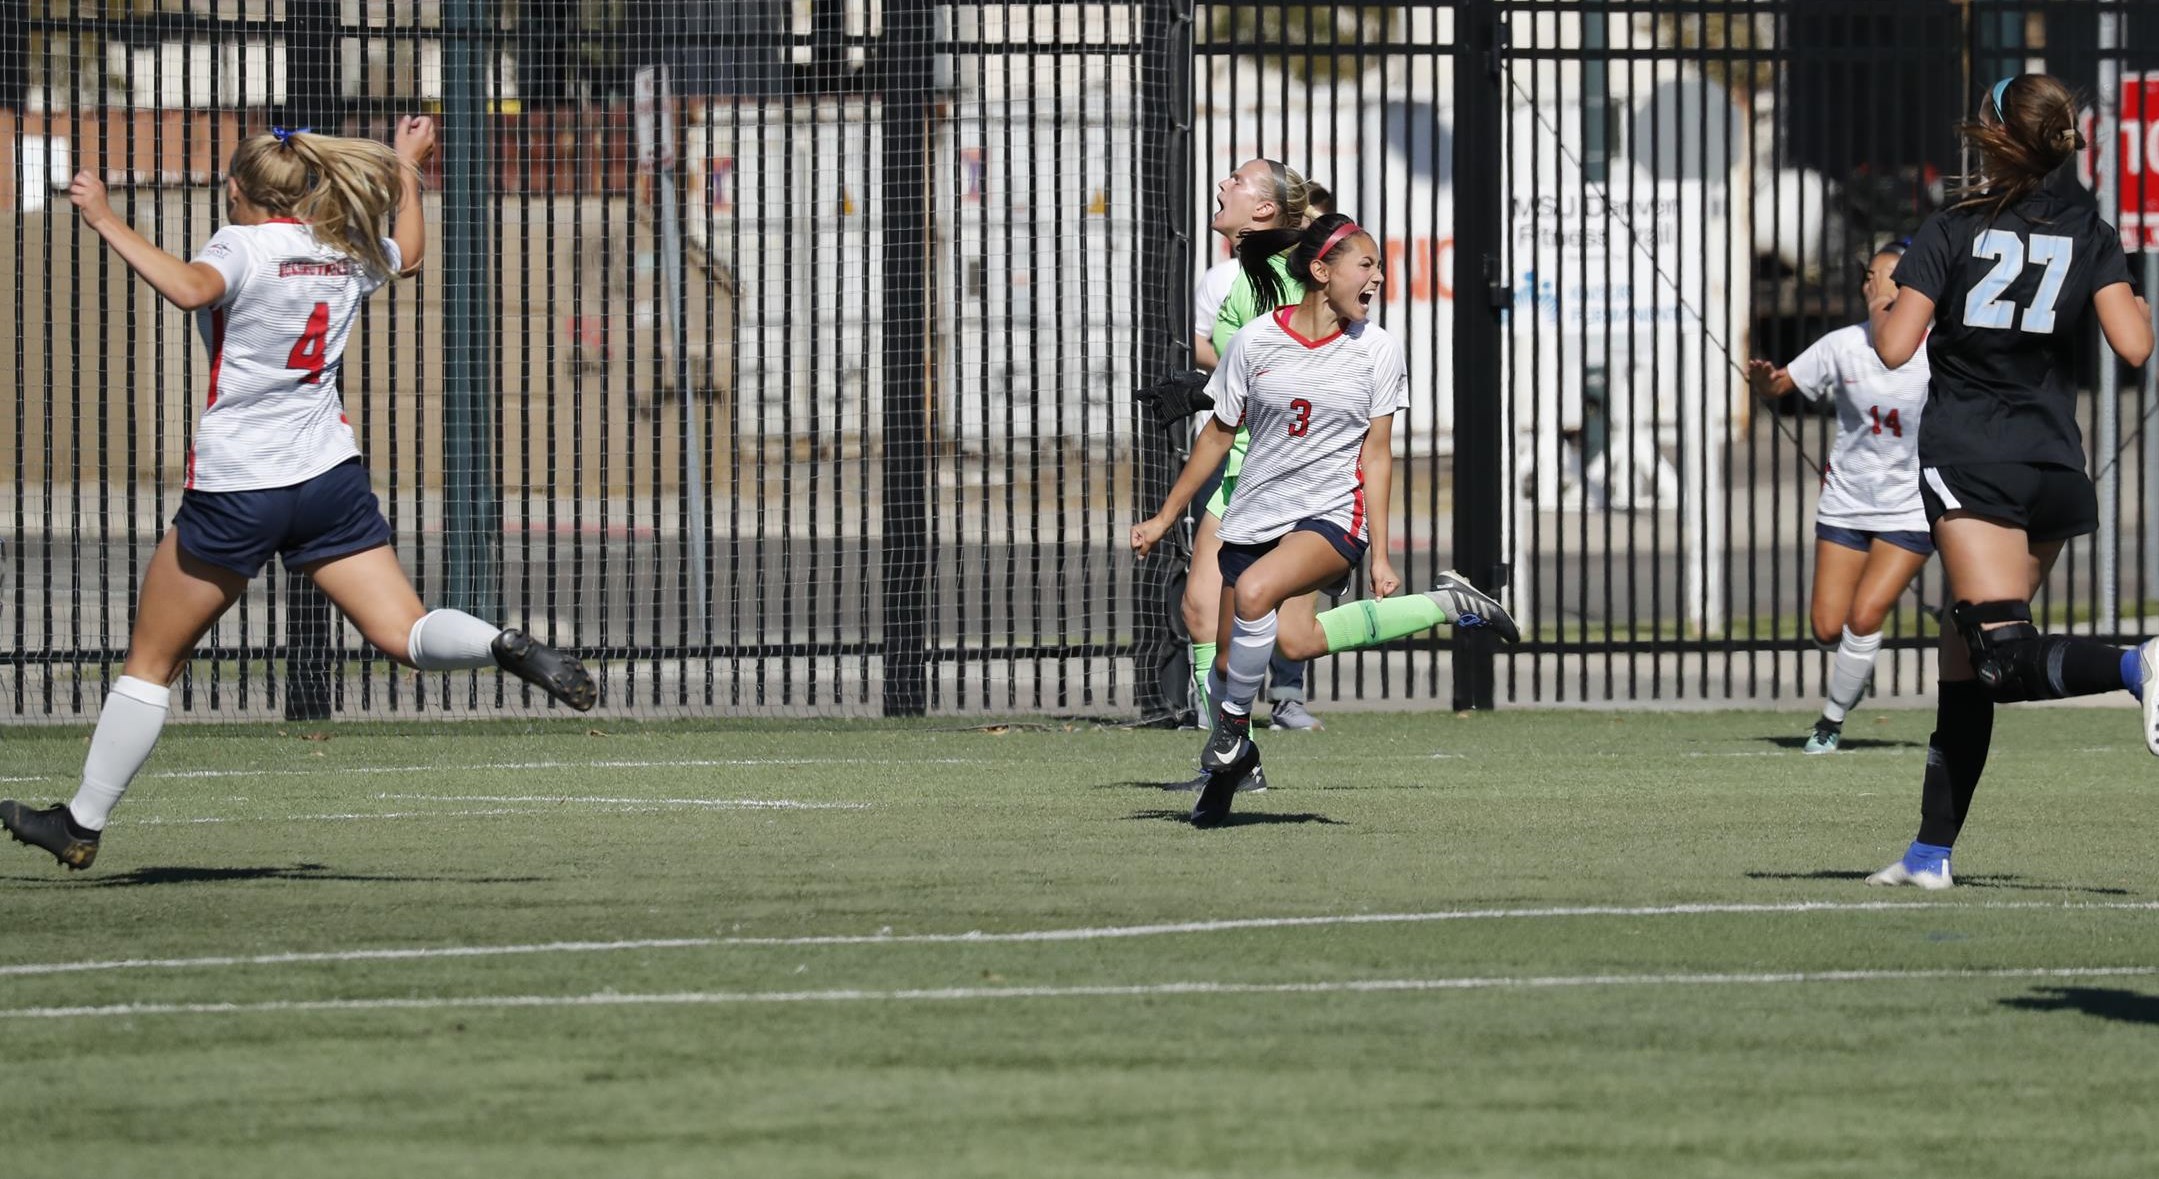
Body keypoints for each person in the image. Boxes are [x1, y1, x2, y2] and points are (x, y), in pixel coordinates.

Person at [0, 118, 598, 872]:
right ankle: (500, 643)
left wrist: (103, 217)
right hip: (327, 478)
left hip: (240, 487)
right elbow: (409, 255)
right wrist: (407, 170)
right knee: (405, 634)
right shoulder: (342, 245)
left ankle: (79, 822)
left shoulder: (239, 244)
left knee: (151, 663)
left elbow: (190, 289)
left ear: (237, 189)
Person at [1865, 73, 2157, 889]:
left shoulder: (1950, 228)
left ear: (1993, 138)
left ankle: (2138, 666)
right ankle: (1929, 854)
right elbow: (2133, 346)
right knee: (1964, 663)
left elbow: (1893, 349)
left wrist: (1893, 295)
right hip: (2052, 466)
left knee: (1999, 656)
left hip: (1973, 457)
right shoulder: (2090, 230)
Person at [1134, 213, 1518, 827]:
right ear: (1322, 272)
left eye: (1379, 267)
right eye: (1366, 265)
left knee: (1255, 595)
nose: (1378, 277)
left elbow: (1377, 451)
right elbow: (1218, 434)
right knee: (1265, 652)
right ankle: (1235, 766)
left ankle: (1229, 737)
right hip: (1255, 512)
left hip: (1334, 516)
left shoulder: (1377, 349)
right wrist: (1164, 517)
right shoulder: (1257, 341)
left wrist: (1383, 553)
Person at [1747, 240, 1934, 754]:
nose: (1877, 284)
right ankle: (1856, 669)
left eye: (1891, 275)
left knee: (1866, 615)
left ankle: (1829, 722)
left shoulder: (1941, 347)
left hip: (1909, 506)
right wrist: (1766, 383)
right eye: (1871, 276)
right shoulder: (1843, 344)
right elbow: (1783, 384)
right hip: (1847, 501)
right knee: (1828, 627)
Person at [1181, 160, 1323, 749]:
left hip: (1290, 474)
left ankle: (1444, 605)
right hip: (1241, 465)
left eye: (1236, 181)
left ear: (1265, 209)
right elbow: (1243, 377)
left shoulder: (1292, 278)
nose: (1222, 184)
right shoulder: (1242, 277)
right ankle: (1231, 755)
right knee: (1198, 610)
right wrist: (1203, 387)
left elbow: (1301, 372)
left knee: (1296, 639)